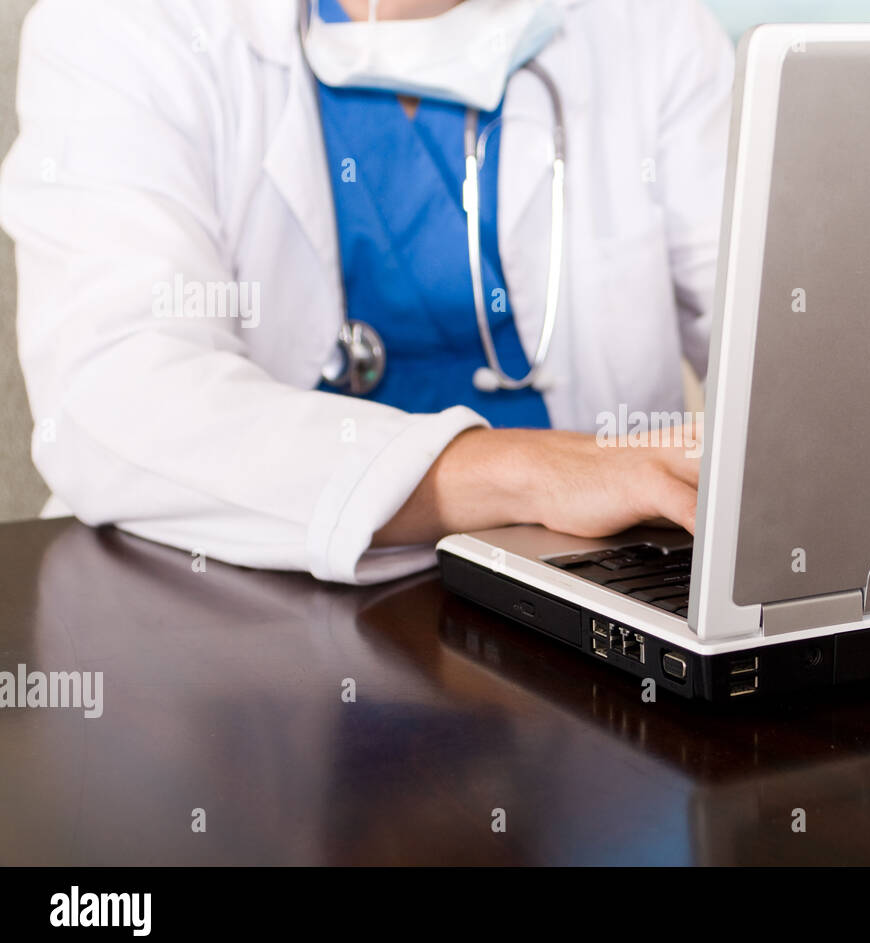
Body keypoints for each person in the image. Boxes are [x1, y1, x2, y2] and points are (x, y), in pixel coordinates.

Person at [0, 0, 733, 583]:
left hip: (592, 604)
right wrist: (526, 471)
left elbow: (779, 331)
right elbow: (114, 395)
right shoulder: (126, 27)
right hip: (227, 625)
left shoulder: (650, 26)